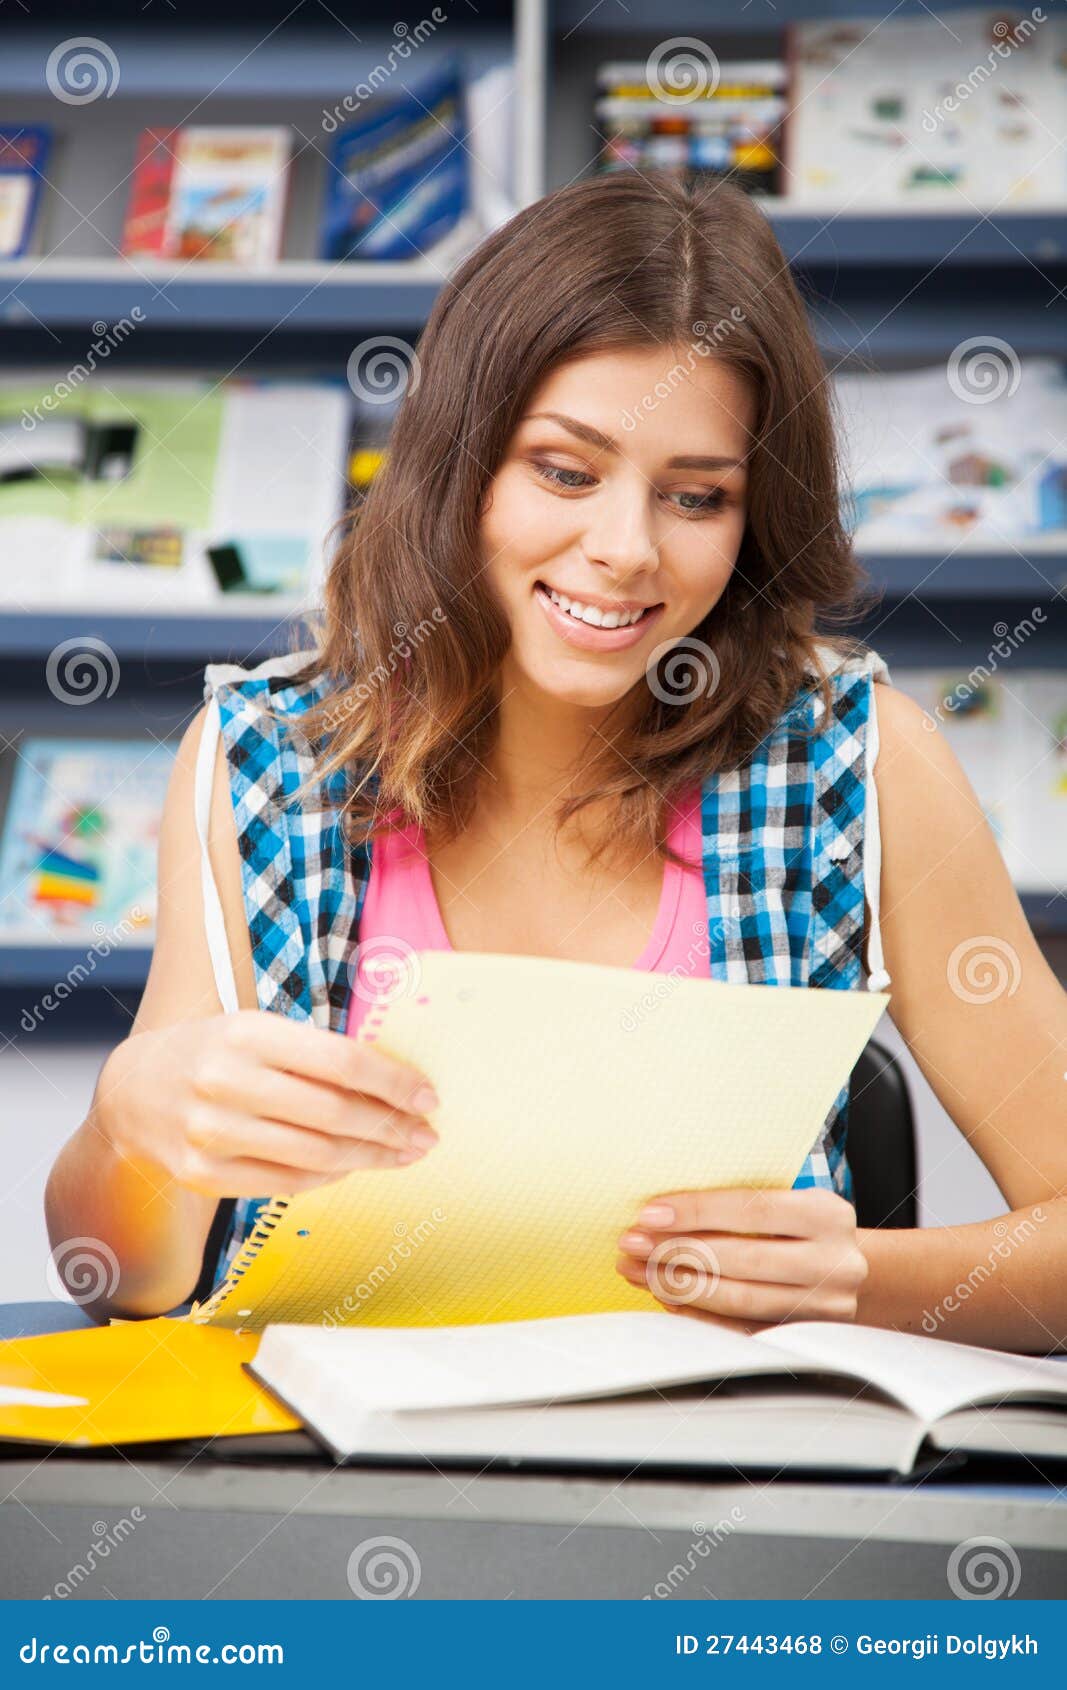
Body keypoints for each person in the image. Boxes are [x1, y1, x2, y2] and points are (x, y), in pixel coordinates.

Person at [46, 175, 1066, 1351]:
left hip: (730, 1492)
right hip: (324, 1490)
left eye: (695, 495)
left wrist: (858, 1276)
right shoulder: (264, 760)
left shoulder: (856, 760)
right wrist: (128, 1128)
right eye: (565, 472)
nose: (625, 550)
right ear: (455, 464)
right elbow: (124, 1285)